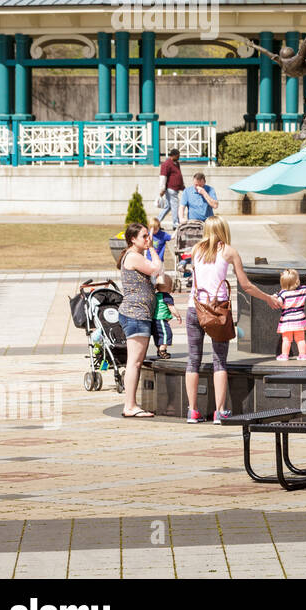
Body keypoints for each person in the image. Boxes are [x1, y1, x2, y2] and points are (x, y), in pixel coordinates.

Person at [184, 215, 281, 424]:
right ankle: (219, 412)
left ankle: (192, 411)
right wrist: (267, 298)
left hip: (195, 309)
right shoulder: (228, 251)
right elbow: (245, 285)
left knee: (193, 360)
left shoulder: (195, 250)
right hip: (217, 312)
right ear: (223, 230)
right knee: (219, 361)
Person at [117, 222, 164, 418]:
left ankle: (131, 404)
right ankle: (130, 405)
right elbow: (156, 269)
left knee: (135, 362)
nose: (147, 239)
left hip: (139, 313)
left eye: (148, 236)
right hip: (135, 314)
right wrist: (153, 248)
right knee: (134, 363)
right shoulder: (134, 256)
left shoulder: (135, 255)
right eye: (144, 236)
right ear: (132, 239)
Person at [275, 269, 306, 361]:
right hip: (299, 319)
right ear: (297, 281)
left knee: (286, 340)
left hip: (287, 320)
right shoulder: (302, 290)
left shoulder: (283, 293)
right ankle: (303, 355)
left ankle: (285, 355)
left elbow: (279, 303)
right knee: (301, 339)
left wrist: (275, 297)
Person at [156, 149, 184, 230]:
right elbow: (163, 177)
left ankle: (157, 222)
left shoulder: (176, 164)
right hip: (171, 189)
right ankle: (176, 224)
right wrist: (162, 189)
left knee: (168, 207)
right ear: (173, 155)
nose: (179, 157)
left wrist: (182, 187)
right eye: (178, 155)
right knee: (175, 206)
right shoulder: (166, 164)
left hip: (176, 188)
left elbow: (178, 175)